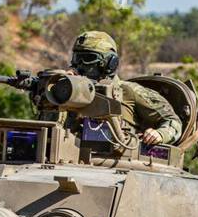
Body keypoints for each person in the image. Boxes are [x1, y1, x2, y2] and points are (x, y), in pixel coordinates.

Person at [42, 30, 182, 150]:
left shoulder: (129, 92)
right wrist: (57, 93)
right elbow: (48, 128)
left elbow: (173, 122)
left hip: (116, 161)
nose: (80, 64)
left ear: (109, 62)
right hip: (67, 158)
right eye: (77, 58)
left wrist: (160, 134)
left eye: (88, 58)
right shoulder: (67, 93)